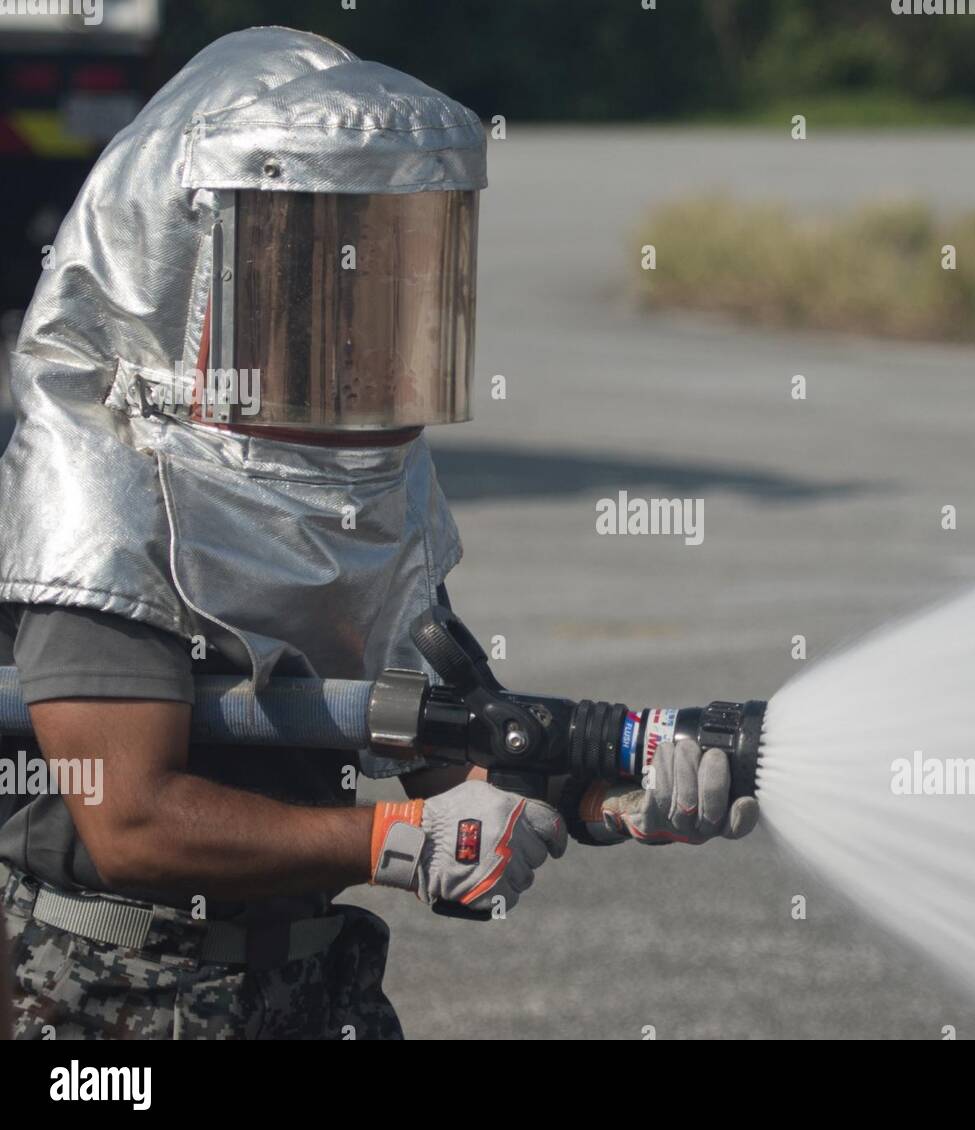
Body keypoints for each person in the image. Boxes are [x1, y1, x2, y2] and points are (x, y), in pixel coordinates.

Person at [0, 27, 756, 1041]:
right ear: (186, 279)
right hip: (107, 1006)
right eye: (301, 282)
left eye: (378, 275)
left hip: (306, 989)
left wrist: (612, 793)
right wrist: (397, 841)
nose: (349, 326)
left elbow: (452, 745)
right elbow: (130, 817)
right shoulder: (103, 484)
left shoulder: (364, 482)